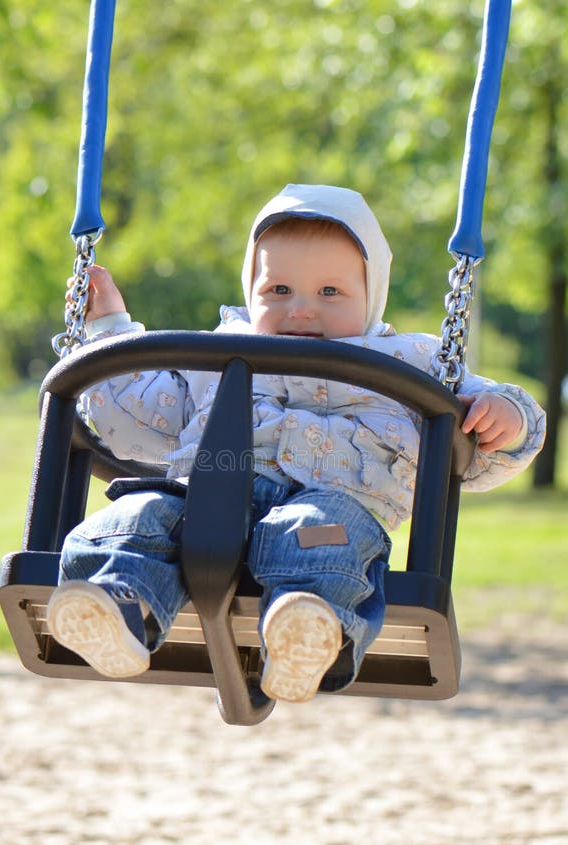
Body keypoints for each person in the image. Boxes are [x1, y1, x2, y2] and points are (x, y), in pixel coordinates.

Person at [47, 184, 546, 702]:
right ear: (250, 291)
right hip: (204, 503)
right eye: (279, 291)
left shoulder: (410, 360)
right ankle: (119, 606)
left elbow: (475, 447)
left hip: (333, 508)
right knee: (139, 513)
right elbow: (130, 417)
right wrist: (106, 329)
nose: (302, 310)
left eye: (330, 293)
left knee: (318, 536)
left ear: (371, 295)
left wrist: (510, 417)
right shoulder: (212, 355)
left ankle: (305, 634)